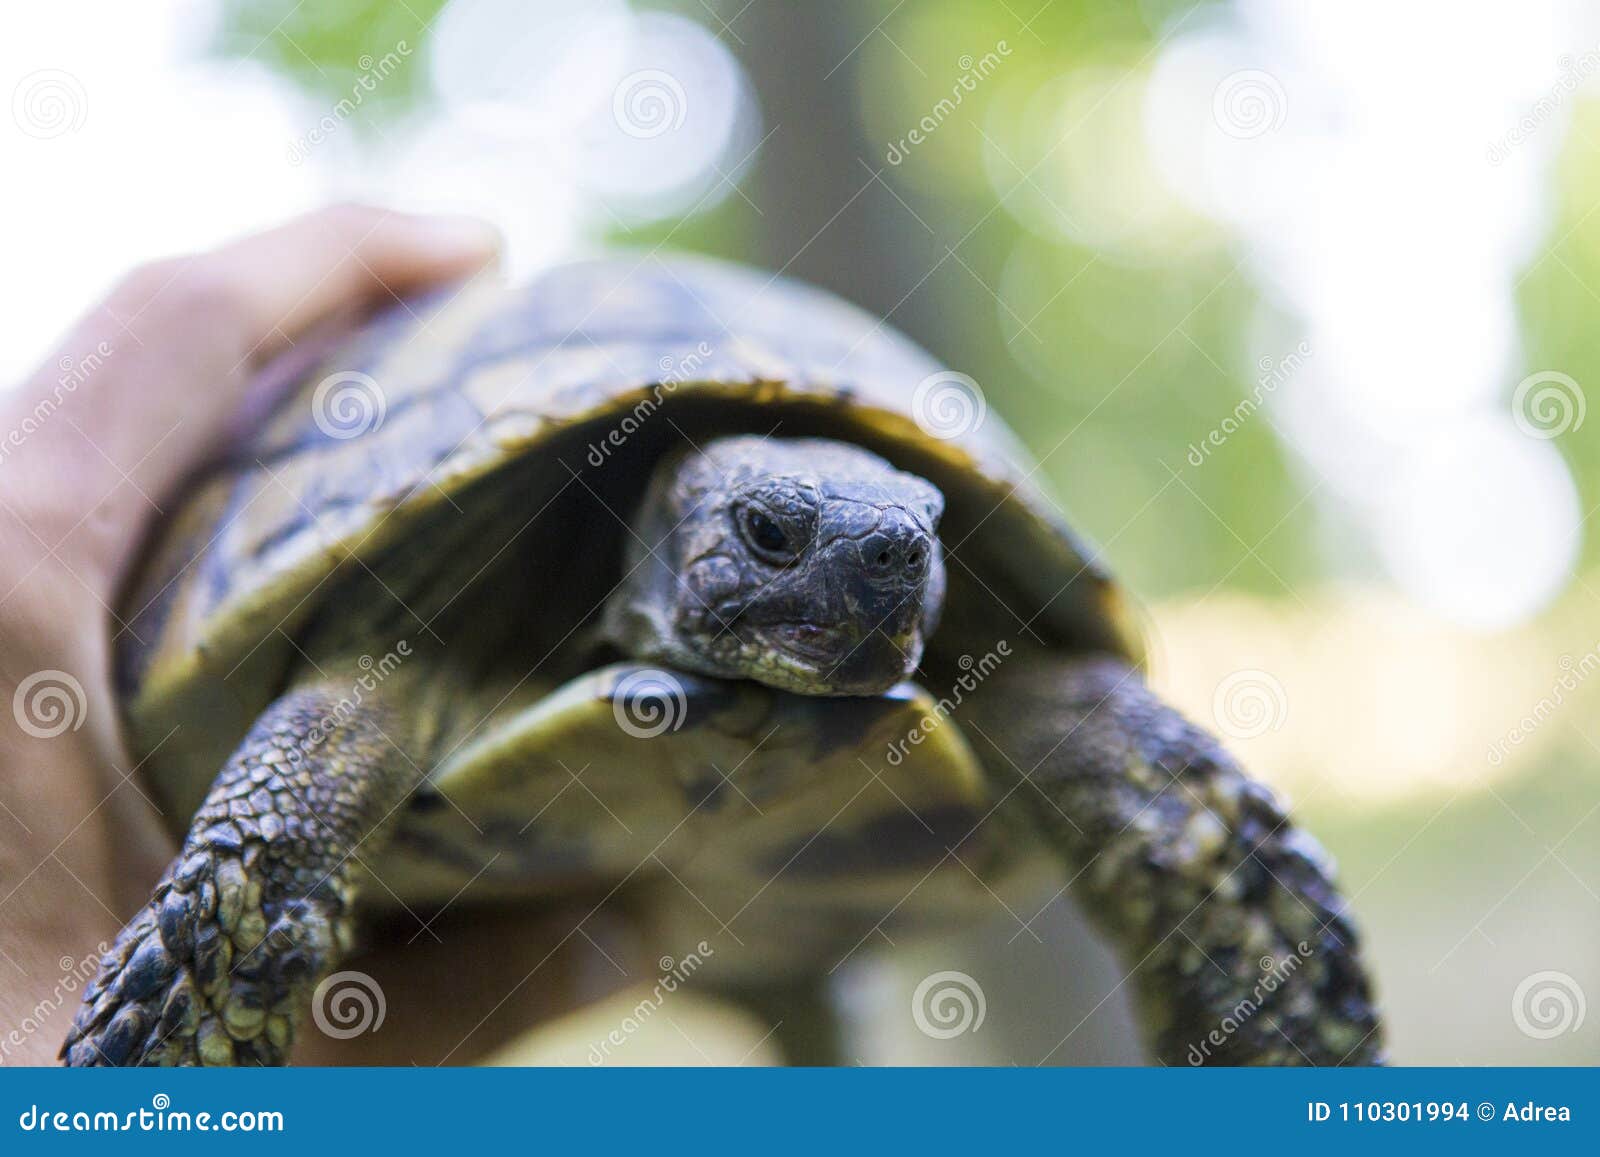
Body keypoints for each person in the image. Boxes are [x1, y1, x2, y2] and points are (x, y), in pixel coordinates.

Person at [0, 205, 643, 1064]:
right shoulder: (392, 675)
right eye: (768, 537)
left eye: (897, 552)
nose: (865, 570)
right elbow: (343, 719)